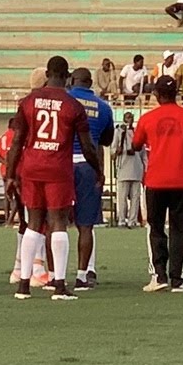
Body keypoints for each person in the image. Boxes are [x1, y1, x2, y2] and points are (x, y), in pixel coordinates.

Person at [6, 56, 99, 300]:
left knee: (34, 222)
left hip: (32, 167)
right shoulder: (73, 105)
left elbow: (16, 141)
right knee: (58, 222)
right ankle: (59, 284)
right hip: (58, 168)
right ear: (67, 76)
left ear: (47, 74)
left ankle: (24, 284)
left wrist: (10, 174)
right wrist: (98, 169)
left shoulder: (28, 101)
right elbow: (87, 146)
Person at [130, 76, 183, 293]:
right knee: (180, 230)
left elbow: (135, 145)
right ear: (177, 93)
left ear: (156, 94)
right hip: (182, 182)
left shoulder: (147, 118)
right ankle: (177, 278)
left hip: (155, 181)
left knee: (155, 228)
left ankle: (159, 275)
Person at [67, 68, 114, 290]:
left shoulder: (64, 100)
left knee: (54, 223)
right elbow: (107, 140)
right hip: (88, 166)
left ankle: (53, 275)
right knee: (86, 225)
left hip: (62, 164)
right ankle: (83, 275)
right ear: (90, 82)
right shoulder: (103, 107)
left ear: (72, 80)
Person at [113, 112, 144, 228]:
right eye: (127, 117)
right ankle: (121, 219)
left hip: (136, 168)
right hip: (123, 167)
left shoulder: (137, 133)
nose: (129, 120)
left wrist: (145, 167)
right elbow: (113, 150)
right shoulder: (118, 132)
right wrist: (118, 151)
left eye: (131, 117)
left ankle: (133, 220)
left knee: (135, 197)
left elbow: (143, 153)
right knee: (122, 197)